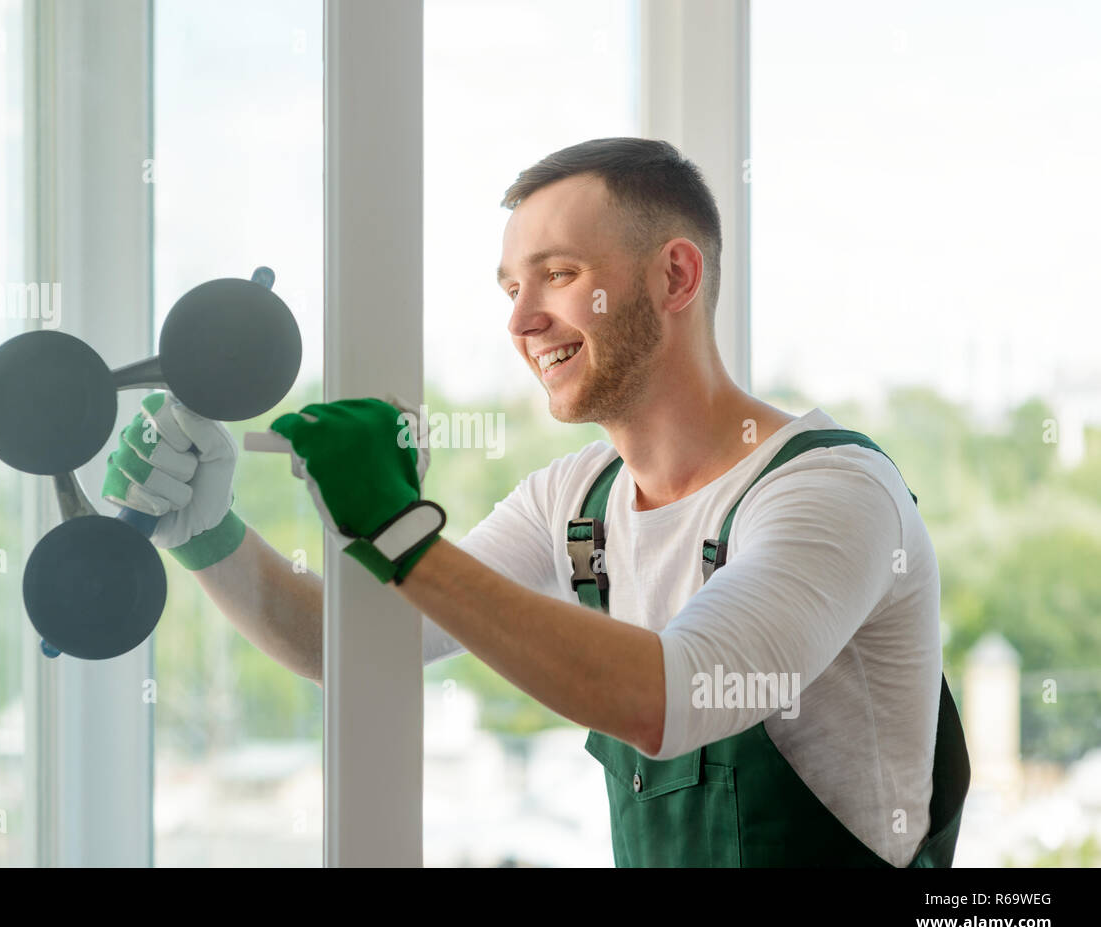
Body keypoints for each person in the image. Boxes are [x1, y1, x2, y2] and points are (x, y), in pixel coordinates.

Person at [103, 137, 968, 867]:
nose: (521, 321)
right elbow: (356, 644)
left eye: (557, 275)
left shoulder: (833, 492)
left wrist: (399, 529)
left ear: (674, 276)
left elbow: (670, 695)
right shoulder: (576, 501)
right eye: (510, 288)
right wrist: (210, 535)